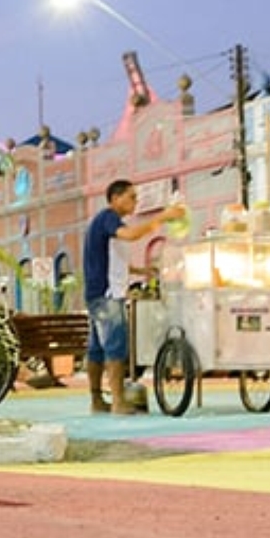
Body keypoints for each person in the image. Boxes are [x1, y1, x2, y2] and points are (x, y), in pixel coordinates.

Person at [80, 178, 183, 415]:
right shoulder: (109, 218)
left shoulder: (102, 223)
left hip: (98, 292)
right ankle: (118, 401)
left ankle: (97, 400)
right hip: (108, 294)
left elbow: (113, 262)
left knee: (96, 349)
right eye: (131, 196)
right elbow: (131, 235)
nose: (136, 201)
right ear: (115, 198)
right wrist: (162, 217)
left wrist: (140, 271)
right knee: (115, 346)